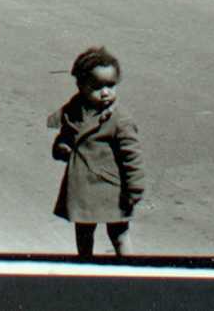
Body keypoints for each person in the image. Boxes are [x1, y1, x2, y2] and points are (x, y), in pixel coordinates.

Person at [51, 45, 145, 259]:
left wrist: (135, 189)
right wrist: (62, 147)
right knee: (84, 231)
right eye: (97, 86)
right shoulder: (74, 111)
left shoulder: (119, 119)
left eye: (110, 86)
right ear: (81, 85)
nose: (105, 93)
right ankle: (86, 265)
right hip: (83, 188)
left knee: (119, 233)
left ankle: (130, 271)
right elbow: (66, 136)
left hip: (113, 188)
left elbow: (132, 157)